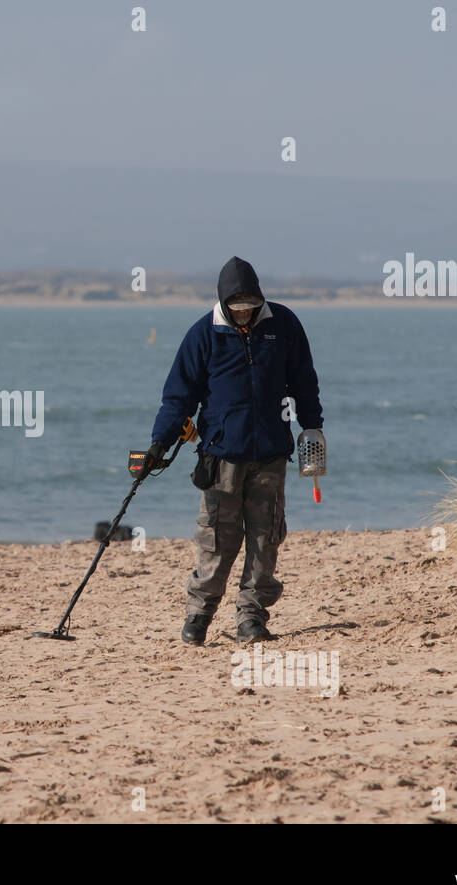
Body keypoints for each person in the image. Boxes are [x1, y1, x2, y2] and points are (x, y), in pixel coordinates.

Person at [145, 256, 324, 645]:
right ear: (224, 303)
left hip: (272, 454)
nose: (244, 314)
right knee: (216, 538)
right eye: (237, 307)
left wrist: (312, 428)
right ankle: (199, 616)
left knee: (266, 537)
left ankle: (252, 616)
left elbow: (304, 382)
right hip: (221, 456)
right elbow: (178, 398)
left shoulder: (284, 325)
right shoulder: (203, 334)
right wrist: (159, 443)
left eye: (251, 307)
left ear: (260, 301)